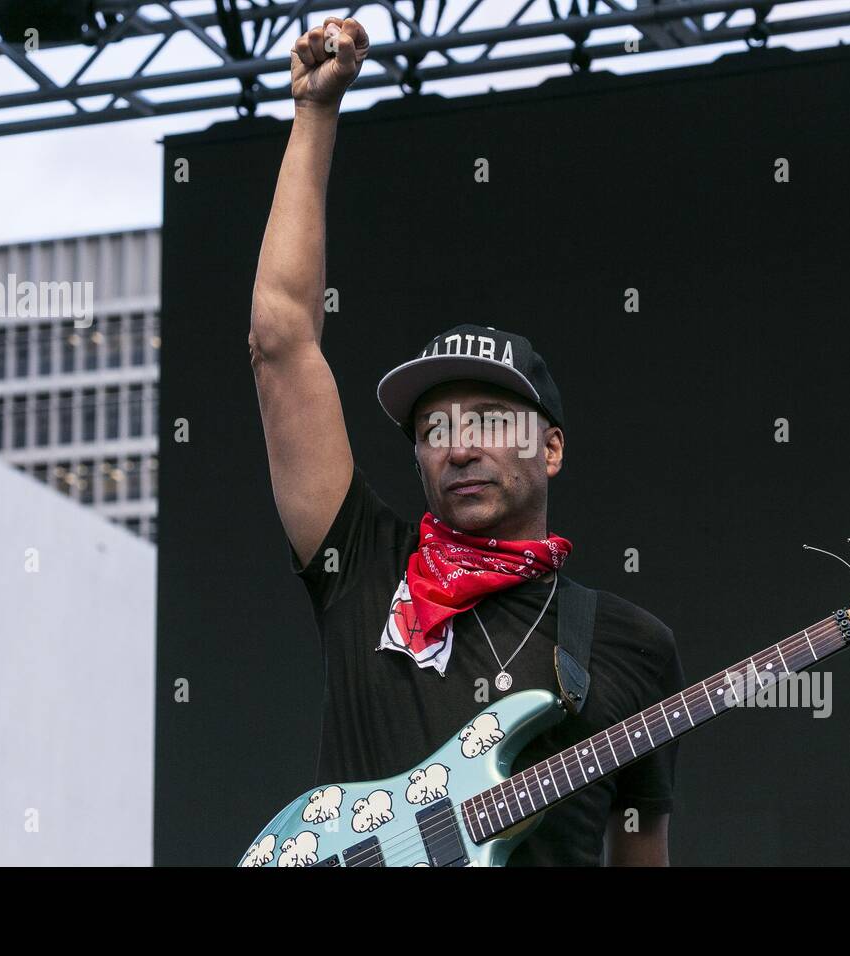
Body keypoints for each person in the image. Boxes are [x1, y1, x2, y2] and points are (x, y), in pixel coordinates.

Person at [247, 15, 685, 865]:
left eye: (489, 421)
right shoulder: (365, 564)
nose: (459, 445)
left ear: (550, 449)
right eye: (435, 429)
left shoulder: (630, 646)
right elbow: (280, 340)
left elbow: (642, 849)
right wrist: (314, 115)